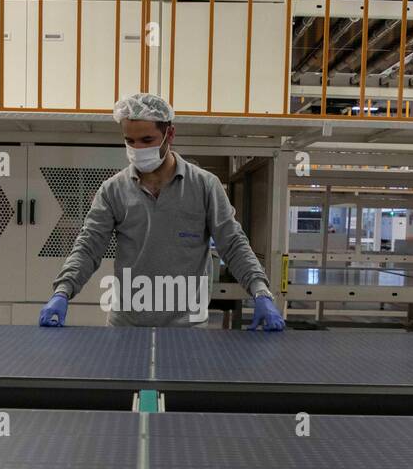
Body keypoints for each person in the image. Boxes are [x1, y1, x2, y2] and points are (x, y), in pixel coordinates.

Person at [38, 92, 284, 330]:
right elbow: (89, 246)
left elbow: (232, 244)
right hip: (127, 326)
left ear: (170, 134)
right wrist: (63, 290)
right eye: (129, 141)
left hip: (187, 328)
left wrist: (260, 290)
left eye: (147, 140)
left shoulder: (204, 186)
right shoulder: (113, 190)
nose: (137, 149)